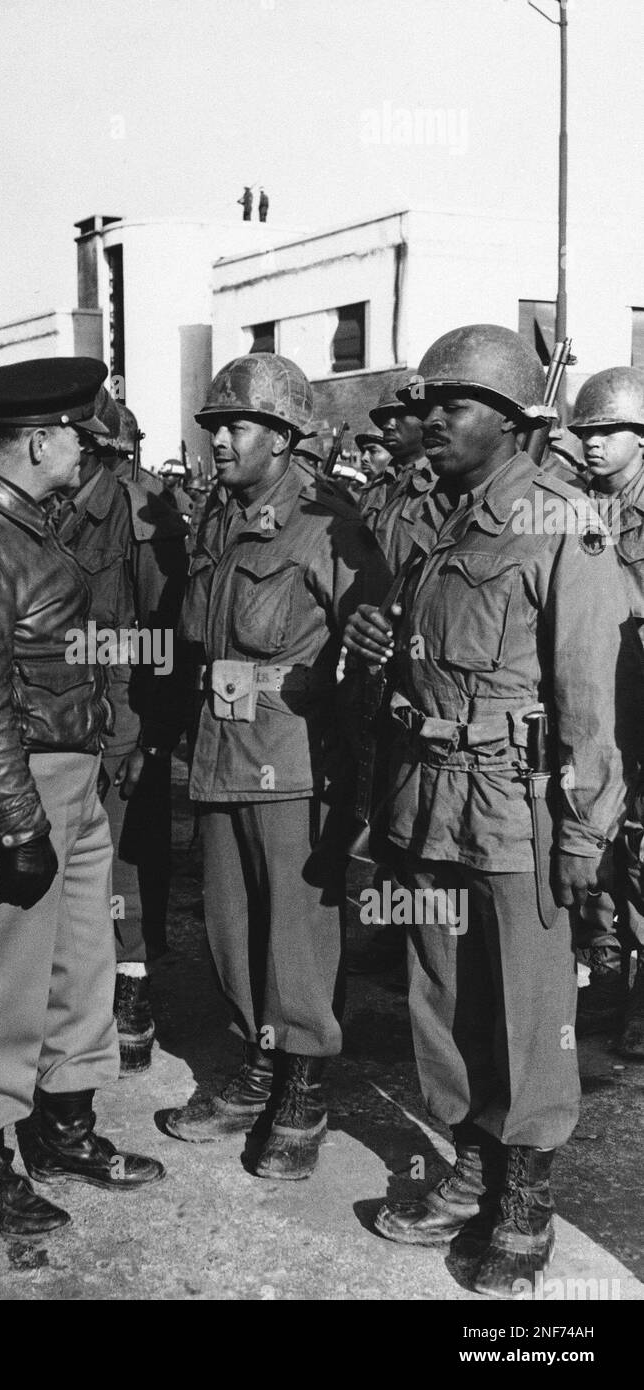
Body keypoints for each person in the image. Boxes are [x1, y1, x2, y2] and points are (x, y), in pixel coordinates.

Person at [346, 324, 632, 1296]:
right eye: (424, 405)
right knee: (439, 993)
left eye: (450, 405)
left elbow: (586, 698)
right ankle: (469, 1153)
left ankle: (526, 1193)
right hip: (428, 802)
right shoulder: (437, 524)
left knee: (531, 1008)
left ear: (508, 422)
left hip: (516, 809)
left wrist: (585, 833)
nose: (429, 421)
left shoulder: (564, 523)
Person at [0, 356, 166, 1238]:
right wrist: (18, 827)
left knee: (78, 964)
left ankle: (65, 1128)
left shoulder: (23, 527)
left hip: (66, 775)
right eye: (73, 434)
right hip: (8, 788)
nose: (84, 448)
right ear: (35, 439)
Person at [164, 352, 389, 1180]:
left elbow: (370, 638)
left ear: (286, 436)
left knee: (295, 936)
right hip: (222, 751)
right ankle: (257, 1061)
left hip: (292, 759)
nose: (218, 439)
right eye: (215, 425)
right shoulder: (217, 521)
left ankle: (303, 1083)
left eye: (237, 426)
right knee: (229, 923)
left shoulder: (331, 525)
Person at [53, 387, 189, 1071]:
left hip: (122, 717)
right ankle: (84, 990)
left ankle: (132, 991)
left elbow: (166, 641)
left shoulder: (140, 515)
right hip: (66, 713)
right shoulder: (55, 506)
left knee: (125, 865)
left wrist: (154, 740)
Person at [566, 366, 644, 1057]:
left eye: (606, 430)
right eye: (584, 432)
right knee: (594, 832)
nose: (592, 443)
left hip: (641, 692)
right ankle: (606, 971)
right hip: (595, 696)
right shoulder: (573, 506)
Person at [359, 378, 429, 523]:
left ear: (426, 417)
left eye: (400, 414)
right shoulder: (374, 489)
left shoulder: (447, 485)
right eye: (384, 417)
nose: (388, 425)